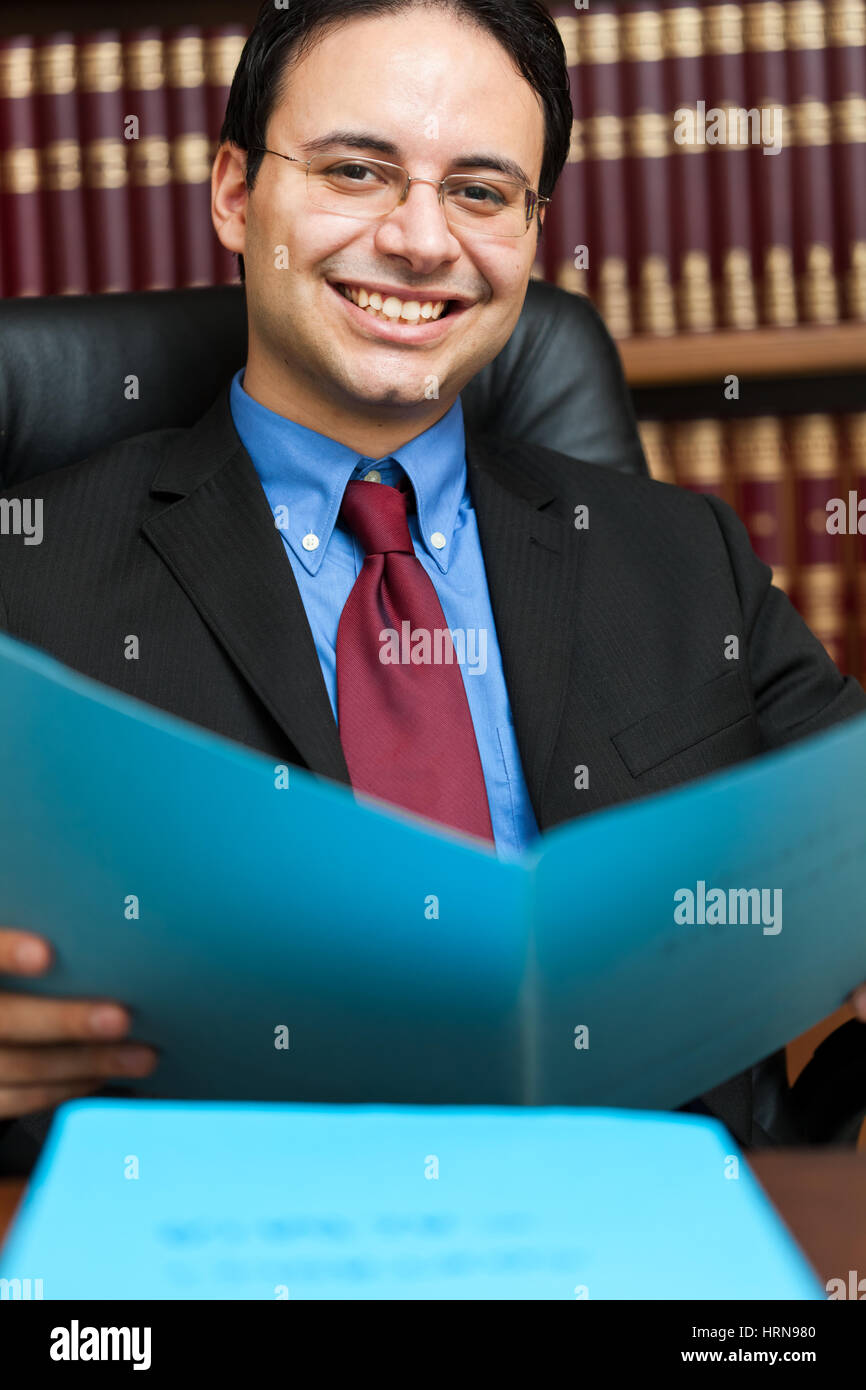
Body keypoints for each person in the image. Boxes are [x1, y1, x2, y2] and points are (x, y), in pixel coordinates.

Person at [0, 0, 864, 1172]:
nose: (418, 241)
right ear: (234, 195)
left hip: (655, 1242)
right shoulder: (29, 570)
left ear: (532, 228)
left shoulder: (682, 556)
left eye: (479, 191)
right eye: (357, 171)